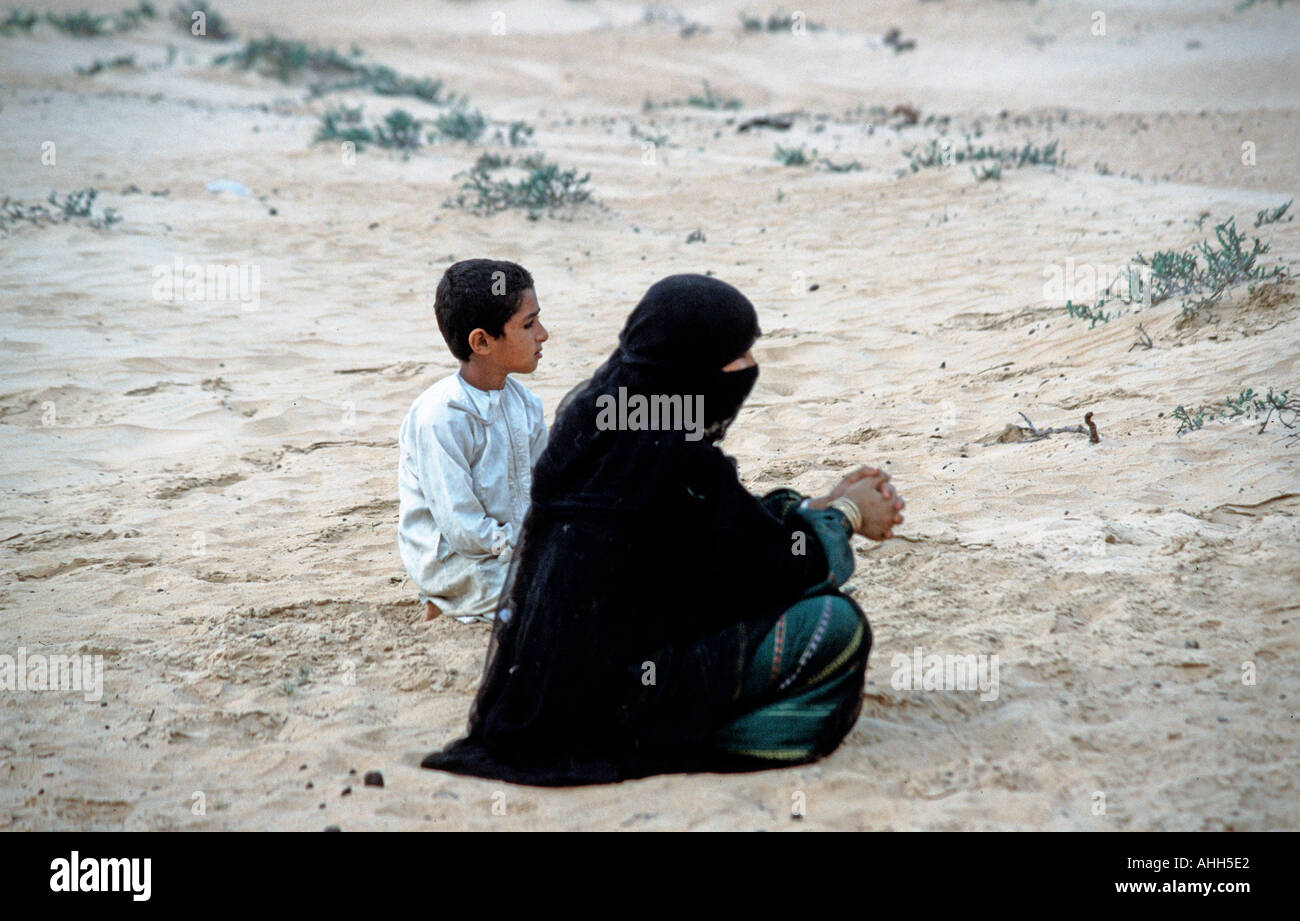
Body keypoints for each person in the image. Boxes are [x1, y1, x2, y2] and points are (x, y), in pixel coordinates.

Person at [420, 274, 903, 783]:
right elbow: (784, 569)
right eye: (736, 356)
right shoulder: (673, 462)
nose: (749, 369)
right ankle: (712, 739)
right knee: (834, 624)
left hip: (550, 688)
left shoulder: (595, 419)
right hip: (620, 701)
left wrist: (813, 506)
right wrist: (844, 517)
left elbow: (720, 532)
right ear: (691, 366)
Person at [397, 259, 549, 624]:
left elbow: (548, 486)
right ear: (481, 341)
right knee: (546, 602)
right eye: (528, 325)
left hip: (512, 550)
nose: (543, 334)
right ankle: (443, 600)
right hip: (460, 559)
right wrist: (521, 548)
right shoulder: (440, 416)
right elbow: (462, 527)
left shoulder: (526, 405)